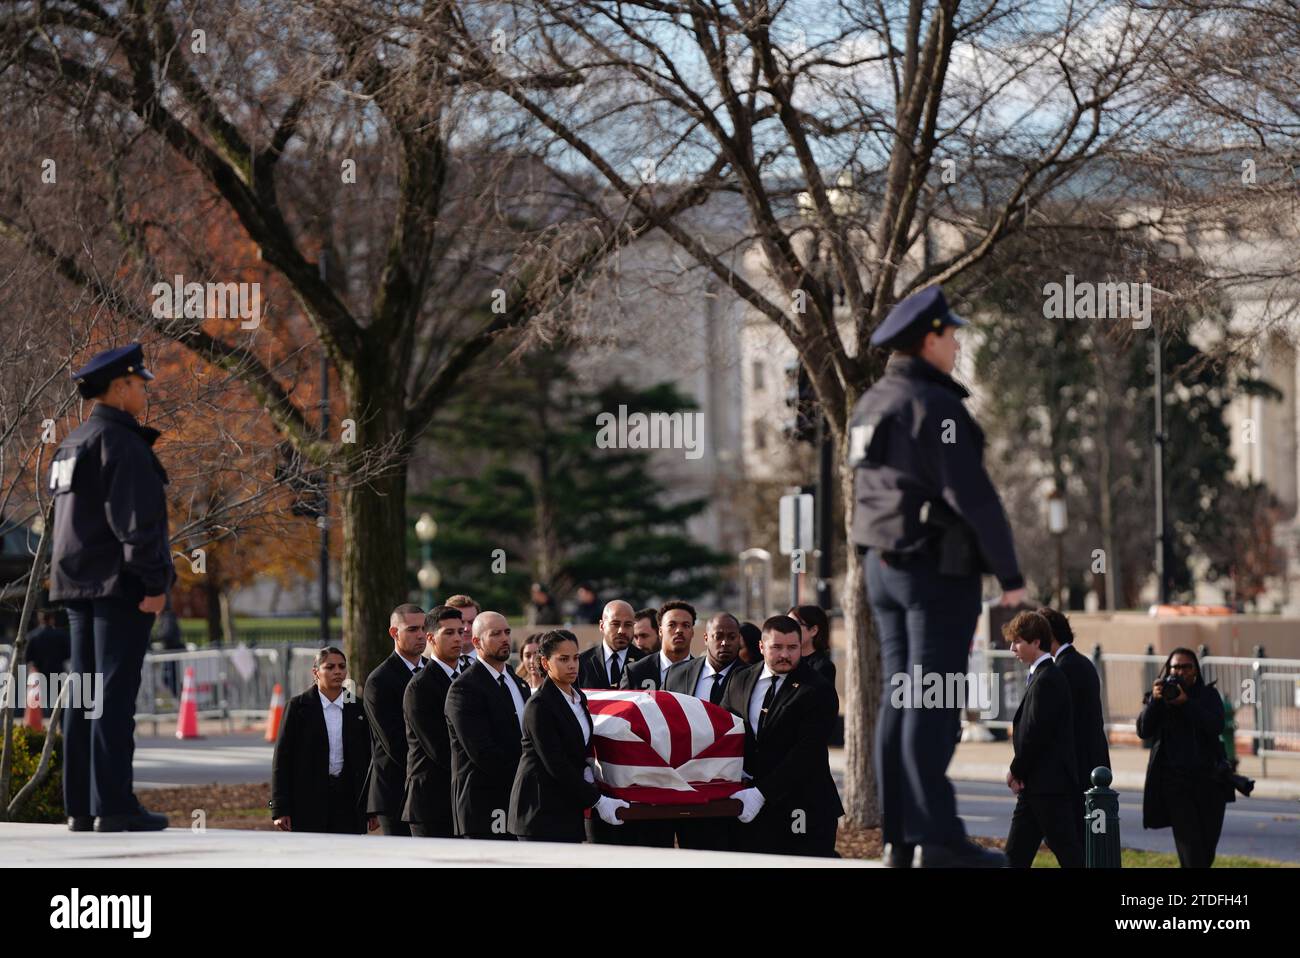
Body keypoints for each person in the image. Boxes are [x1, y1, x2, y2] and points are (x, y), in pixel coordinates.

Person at [850, 287, 1025, 868]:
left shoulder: (874, 401)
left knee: (901, 696)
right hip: (933, 569)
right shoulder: (933, 404)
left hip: (882, 566)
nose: (957, 345)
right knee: (931, 698)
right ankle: (939, 841)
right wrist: (1011, 576)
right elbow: (972, 494)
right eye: (951, 335)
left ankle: (901, 840)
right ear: (928, 339)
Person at [50, 342, 174, 833]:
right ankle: (115, 806)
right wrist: (154, 581)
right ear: (120, 387)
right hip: (120, 588)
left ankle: (82, 805)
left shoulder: (71, 443)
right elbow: (137, 525)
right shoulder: (123, 444)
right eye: (140, 383)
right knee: (114, 698)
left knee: (84, 696)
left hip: (76, 586)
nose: (145, 391)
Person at [722, 615, 843, 857]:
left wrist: (761, 792)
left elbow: (806, 751)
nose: (785, 655)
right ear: (761, 647)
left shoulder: (817, 688)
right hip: (753, 808)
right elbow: (726, 730)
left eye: (792, 647)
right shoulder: (740, 679)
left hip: (804, 806)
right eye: (777, 647)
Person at [508, 630, 629, 842]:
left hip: (566, 805)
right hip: (539, 810)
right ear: (545, 663)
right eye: (563, 659)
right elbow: (555, 763)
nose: (572, 665)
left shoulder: (578, 696)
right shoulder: (539, 705)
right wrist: (598, 801)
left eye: (575, 658)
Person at [1137, 647, 1232, 867]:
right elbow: (1144, 731)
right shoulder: (1160, 699)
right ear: (1168, 669)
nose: (1180, 672)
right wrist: (1155, 702)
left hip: (1210, 785)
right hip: (1176, 786)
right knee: (1192, 855)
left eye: (1186, 667)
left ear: (1195, 671)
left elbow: (1215, 726)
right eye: (1175, 667)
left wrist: (1186, 703)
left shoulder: (1208, 695)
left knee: (1206, 854)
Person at [1002, 612, 1083, 868]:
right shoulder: (1041, 676)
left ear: (1036, 642)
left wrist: (1016, 770)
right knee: (1015, 856)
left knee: (1069, 855)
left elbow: (1037, 734)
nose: (1012, 648)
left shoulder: (1048, 679)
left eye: (1018, 641)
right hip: (1037, 787)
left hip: (1048, 788)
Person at [665, 611, 750, 850]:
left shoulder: (752, 677)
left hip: (730, 788)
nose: (725, 642)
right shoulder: (677, 674)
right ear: (705, 638)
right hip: (686, 784)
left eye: (731, 636)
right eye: (718, 636)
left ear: (739, 639)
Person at [271, 647, 377, 835]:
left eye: (342, 667)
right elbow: (282, 760)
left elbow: (369, 758)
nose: (337, 671)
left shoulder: (357, 706)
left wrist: (373, 807)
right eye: (330, 667)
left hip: (349, 802)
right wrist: (280, 808)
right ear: (316, 672)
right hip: (308, 801)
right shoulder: (298, 707)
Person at [445, 611, 531, 839]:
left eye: (507, 632)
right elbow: (482, 752)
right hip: (483, 805)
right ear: (476, 641)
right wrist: (528, 776)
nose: (505, 638)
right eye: (495, 634)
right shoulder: (464, 688)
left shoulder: (516, 681)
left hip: (518, 801)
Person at [1038, 606, 1110, 842]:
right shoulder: (1080, 663)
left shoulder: (1062, 669)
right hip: (1089, 761)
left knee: (1076, 840)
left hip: (1076, 766)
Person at [363, 603, 426, 836]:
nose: (420, 635)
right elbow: (394, 743)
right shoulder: (379, 680)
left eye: (423, 628)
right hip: (395, 791)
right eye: (412, 629)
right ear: (394, 633)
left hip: (426, 789)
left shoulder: (431, 673)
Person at [403, 606, 465, 837]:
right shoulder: (420, 687)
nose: (458, 638)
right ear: (430, 638)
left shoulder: (468, 679)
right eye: (449, 633)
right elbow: (437, 747)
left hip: (461, 798)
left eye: (460, 631)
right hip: (431, 803)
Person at [620, 599, 694, 691]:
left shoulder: (703, 673)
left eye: (686, 625)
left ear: (692, 632)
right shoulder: (634, 672)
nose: (679, 630)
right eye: (672, 625)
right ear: (660, 631)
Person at [577, 599, 642, 690]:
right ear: (602, 626)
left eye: (628, 625)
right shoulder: (581, 663)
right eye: (615, 624)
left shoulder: (645, 663)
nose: (621, 631)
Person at [25, 610, 71, 715]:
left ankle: (45, 719)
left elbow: (27, 657)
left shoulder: (32, 636)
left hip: (39, 672)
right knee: (59, 700)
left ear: (40, 619)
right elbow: (68, 654)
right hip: (58, 670)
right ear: (52, 619)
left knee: (39, 700)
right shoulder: (61, 635)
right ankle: (57, 719)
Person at [788, 605, 835, 685]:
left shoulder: (822, 666)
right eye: (788, 623)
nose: (788, 629)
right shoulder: (785, 659)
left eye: (795, 624)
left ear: (813, 630)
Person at [444, 594, 480, 672]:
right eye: (460, 622)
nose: (466, 629)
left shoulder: (495, 662)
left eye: (471, 622)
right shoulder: (427, 665)